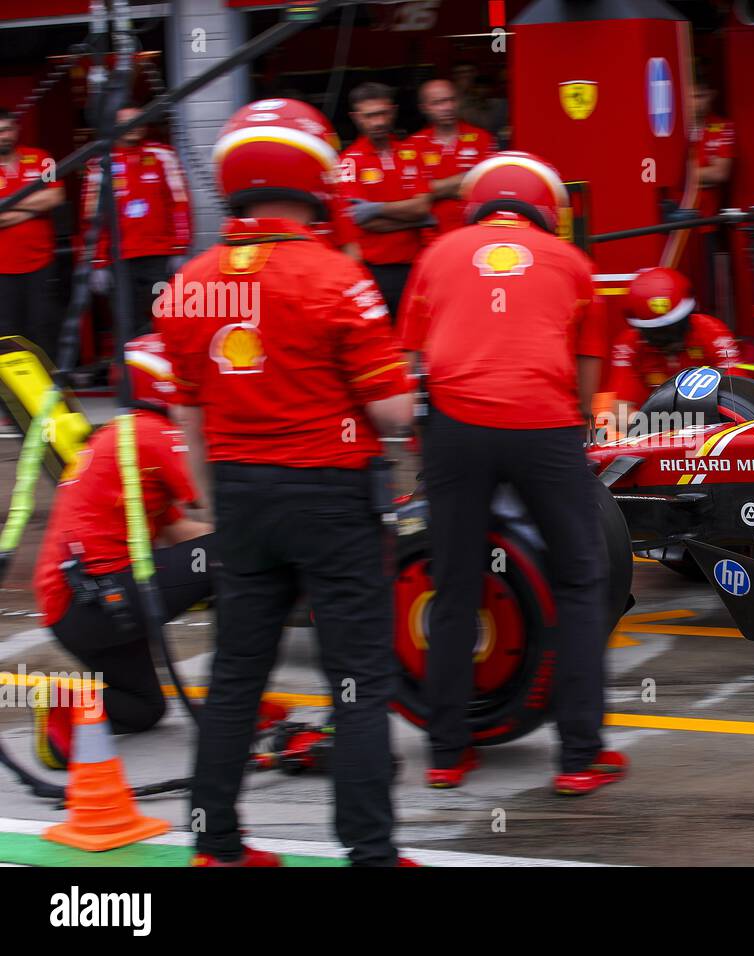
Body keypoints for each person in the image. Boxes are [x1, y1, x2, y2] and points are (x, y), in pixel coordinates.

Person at [160, 99, 414, 867]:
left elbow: (189, 412)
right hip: (331, 497)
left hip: (239, 496)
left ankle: (216, 842)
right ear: (313, 175)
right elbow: (393, 409)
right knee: (359, 679)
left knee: (237, 671)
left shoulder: (190, 285)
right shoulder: (341, 277)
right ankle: (370, 853)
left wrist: (213, 499)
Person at [397, 151, 622, 796]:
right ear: (545, 213)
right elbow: (586, 381)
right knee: (581, 580)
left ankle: (445, 753)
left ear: (476, 207)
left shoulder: (436, 254)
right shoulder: (575, 264)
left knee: (453, 582)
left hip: (454, 428)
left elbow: (413, 361)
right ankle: (579, 755)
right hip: (543, 426)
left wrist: (429, 445)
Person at [31, 334, 212, 769]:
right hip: (98, 598)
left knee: (144, 708)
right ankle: (240, 695)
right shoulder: (154, 434)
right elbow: (218, 500)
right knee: (235, 558)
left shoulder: (123, 437)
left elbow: (179, 530)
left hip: (78, 609)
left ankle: (64, 705)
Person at [81, 104, 191, 336]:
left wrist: (179, 248)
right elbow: (93, 216)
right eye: (125, 122)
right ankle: (129, 371)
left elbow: (179, 203)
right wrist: (97, 262)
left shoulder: (163, 155)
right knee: (125, 327)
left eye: (138, 121)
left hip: (159, 257)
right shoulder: (99, 163)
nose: (133, 127)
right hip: (118, 260)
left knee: (167, 318)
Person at [337, 82, 434, 317]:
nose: (378, 122)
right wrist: (416, 220)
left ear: (393, 111)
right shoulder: (349, 161)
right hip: (375, 272)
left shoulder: (410, 152)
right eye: (370, 116)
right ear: (356, 117)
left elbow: (423, 206)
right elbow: (363, 221)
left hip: (417, 267)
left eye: (382, 113)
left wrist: (377, 208)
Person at [608, 266, 740, 409]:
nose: (670, 342)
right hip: (653, 426)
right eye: (658, 334)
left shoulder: (712, 332)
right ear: (641, 331)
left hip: (711, 423)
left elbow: (737, 395)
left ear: (688, 317)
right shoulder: (628, 344)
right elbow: (619, 411)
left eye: (675, 329)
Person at [0, 109, 65, 359]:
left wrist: (8, 205)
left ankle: (48, 390)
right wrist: (32, 208)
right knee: (7, 335)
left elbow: (55, 196)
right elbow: (43, 199)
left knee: (43, 329)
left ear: (15, 131)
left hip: (42, 264)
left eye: (6, 130)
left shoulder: (41, 159)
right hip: (3, 270)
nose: (2, 136)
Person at [406, 78, 497, 237]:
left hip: (476, 234)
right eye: (438, 103)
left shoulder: (482, 138)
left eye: (451, 100)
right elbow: (410, 195)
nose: (447, 107)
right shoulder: (412, 146)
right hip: (431, 238)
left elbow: (489, 186)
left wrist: (432, 189)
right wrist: (466, 179)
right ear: (424, 108)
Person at [684, 73, 735, 313]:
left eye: (701, 95)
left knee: (707, 296)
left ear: (711, 95)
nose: (696, 101)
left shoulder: (722, 127)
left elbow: (720, 173)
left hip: (707, 225)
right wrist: (698, 174)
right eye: (691, 95)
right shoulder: (674, 130)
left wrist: (688, 175)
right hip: (675, 229)